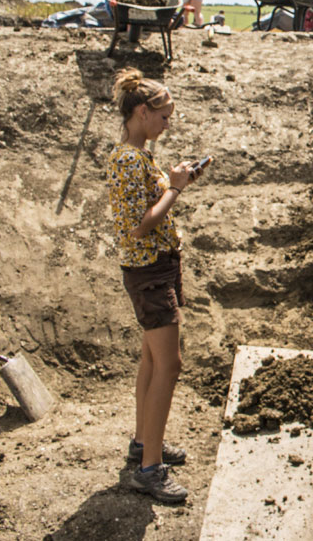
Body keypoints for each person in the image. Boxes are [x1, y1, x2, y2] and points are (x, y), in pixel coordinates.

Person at [106, 68, 209, 504]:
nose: (168, 124)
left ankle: (143, 442)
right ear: (143, 112)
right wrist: (177, 189)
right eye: (164, 116)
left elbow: (148, 207)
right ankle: (150, 469)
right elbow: (140, 228)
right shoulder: (129, 160)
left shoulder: (137, 156)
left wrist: (173, 178)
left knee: (151, 360)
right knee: (170, 365)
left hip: (157, 268)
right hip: (149, 271)